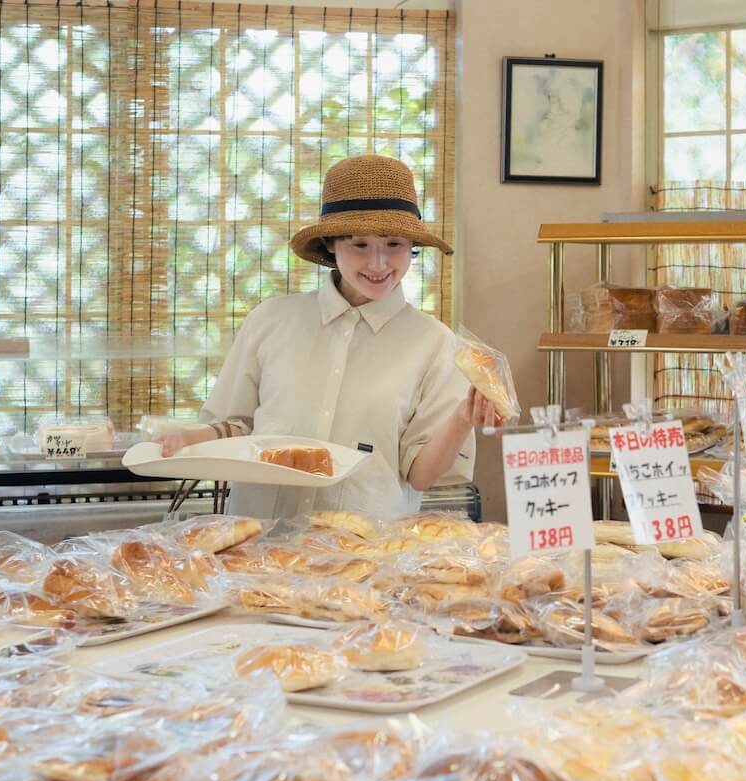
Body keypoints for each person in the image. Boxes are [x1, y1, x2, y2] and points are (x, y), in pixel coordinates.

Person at [159, 155, 506, 519]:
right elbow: (238, 426)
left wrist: (462, 418)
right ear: (329, 243)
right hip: (259, 541)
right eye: (359, 245)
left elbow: (421, 476)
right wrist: (187, 438)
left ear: (411, 246)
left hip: (366, 548)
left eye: (393, 244)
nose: (378, 264)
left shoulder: (434, 344)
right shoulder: (271, 320)